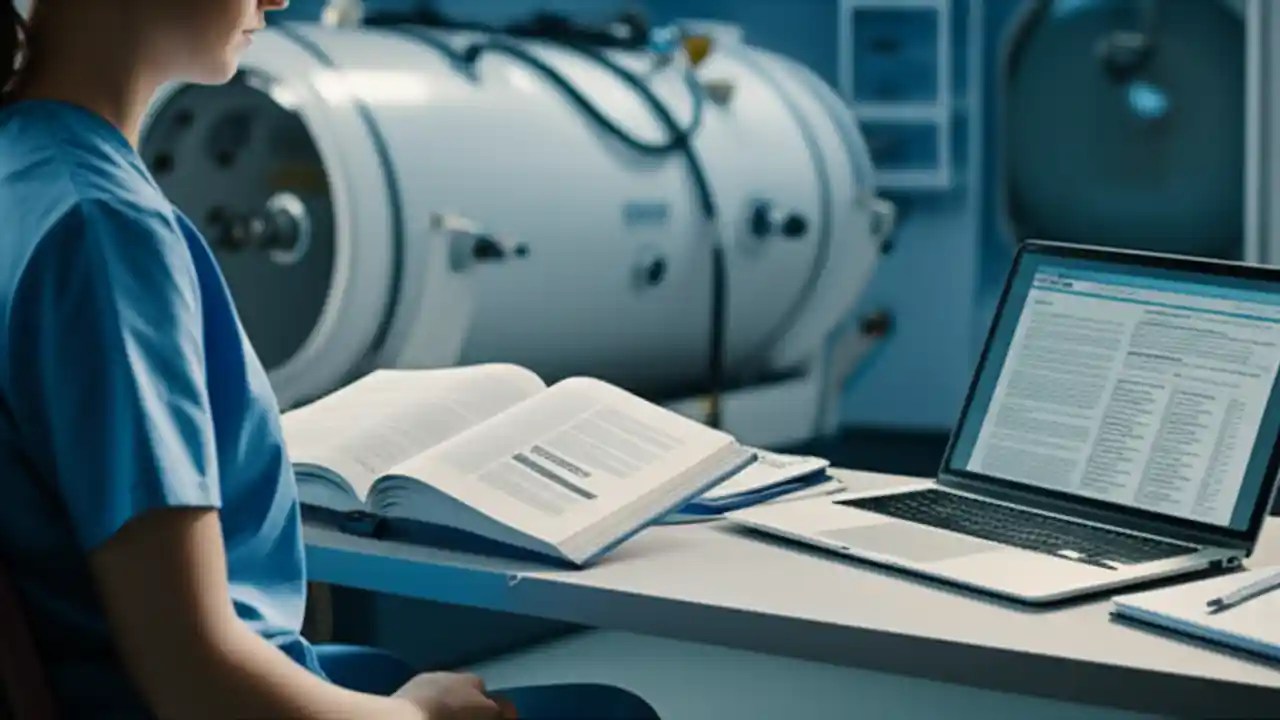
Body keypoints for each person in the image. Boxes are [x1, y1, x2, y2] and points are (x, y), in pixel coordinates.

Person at [0, 2, 657, 719]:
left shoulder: (28, 170)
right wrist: (417, 718)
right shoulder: (106, 231)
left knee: (390, 668)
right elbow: (193, 681)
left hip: (123, 675)